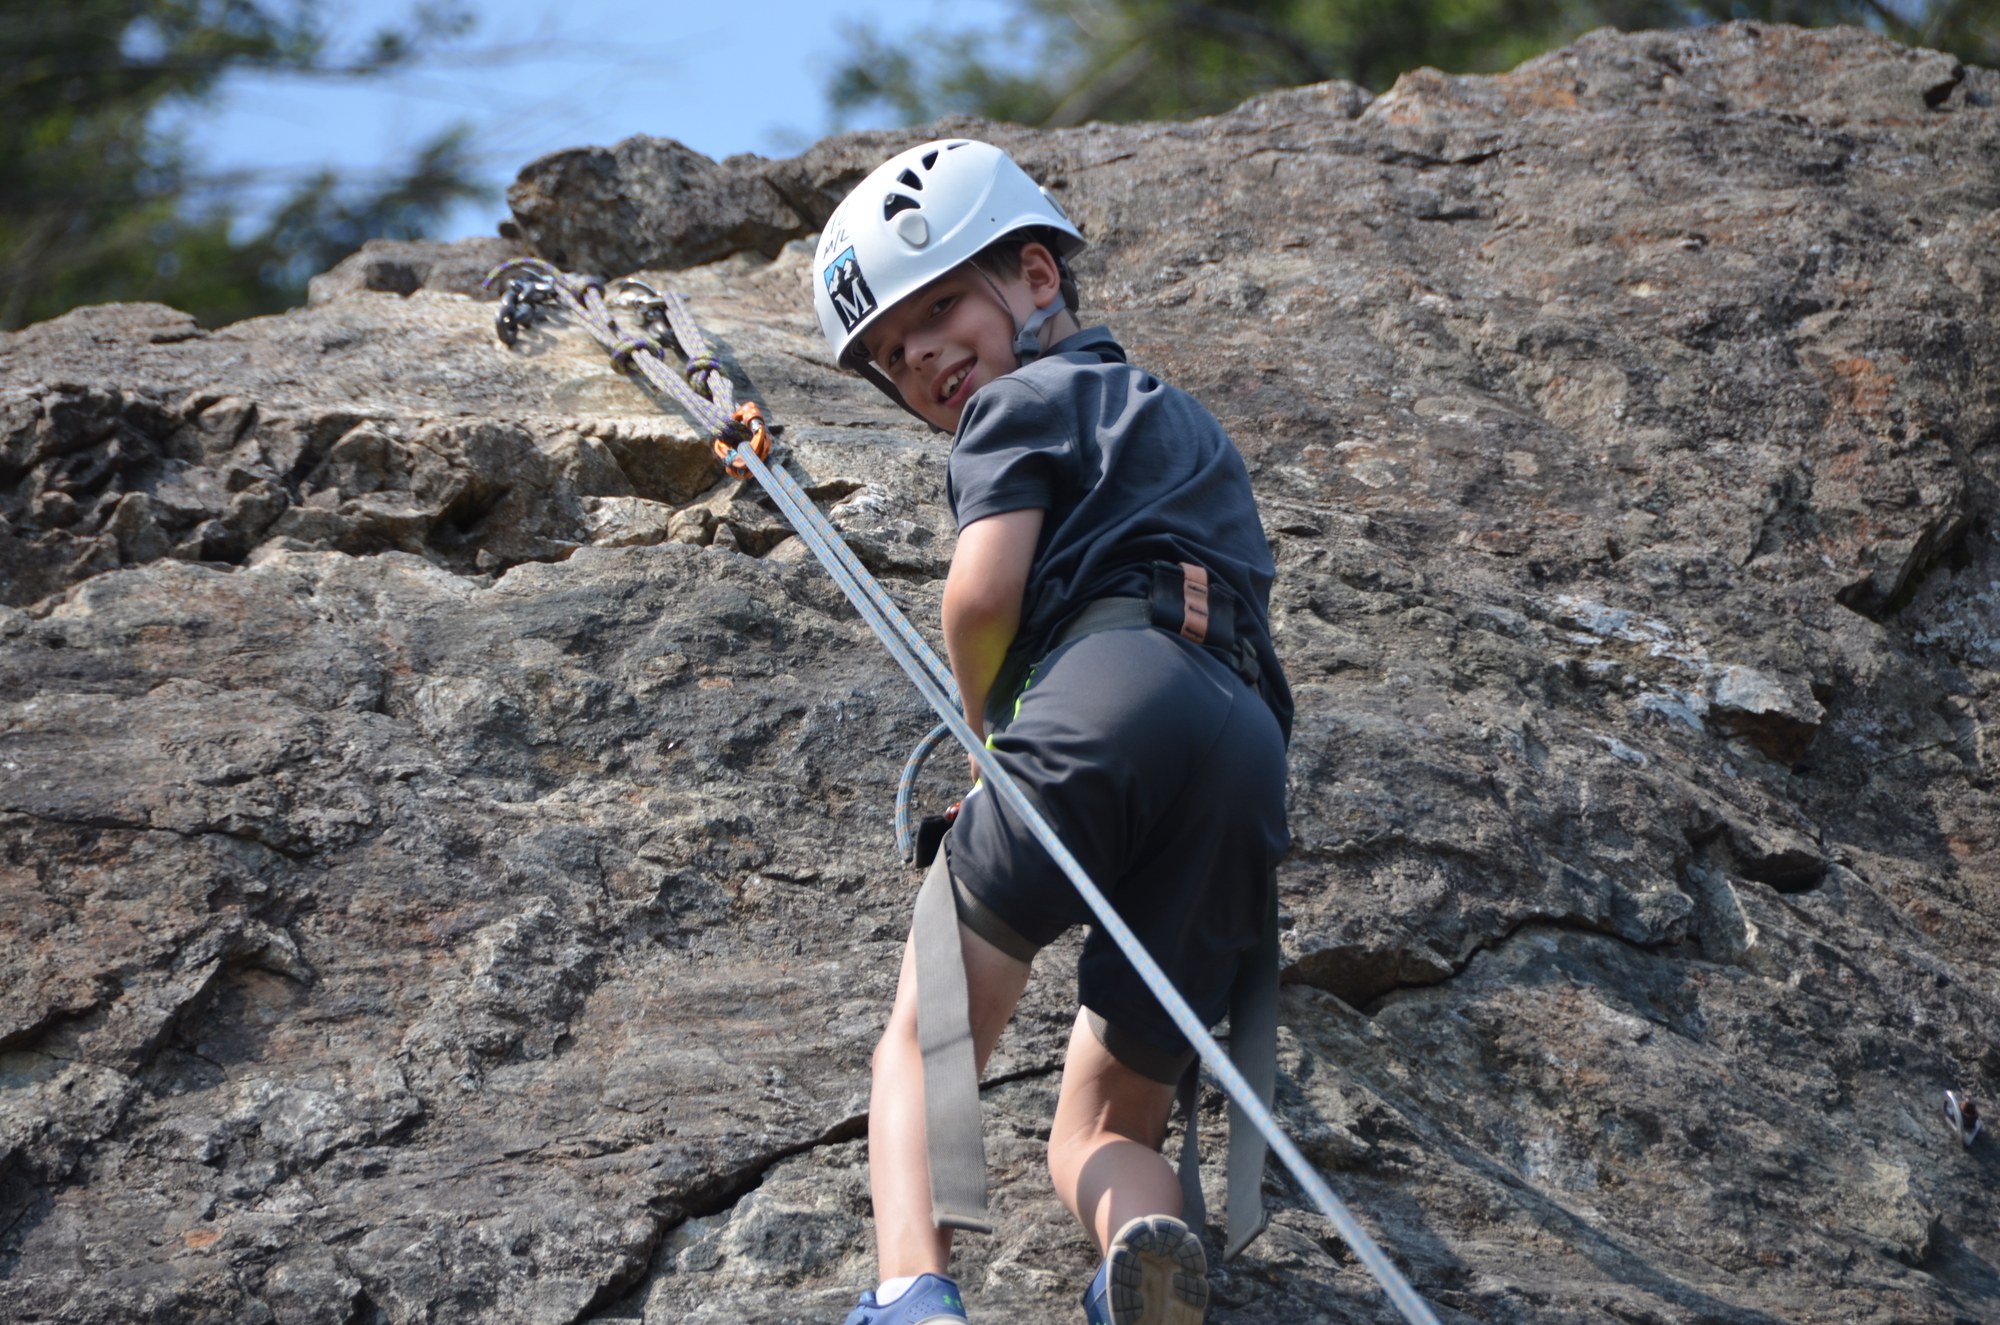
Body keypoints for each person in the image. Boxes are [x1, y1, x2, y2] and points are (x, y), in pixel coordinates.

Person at [812, 138, 1293, 1325]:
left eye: (935, 309)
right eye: (892, 353)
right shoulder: (1186, 429)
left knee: (926, 1032)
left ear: (1036, 278)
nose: (921, 356)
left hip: (1100, 695)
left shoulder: (1018, 403)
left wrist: (990, 747)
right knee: (1103, 1119)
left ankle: (910, 1290)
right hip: (1241, 744)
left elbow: (980, 595)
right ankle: (1142, 1240)